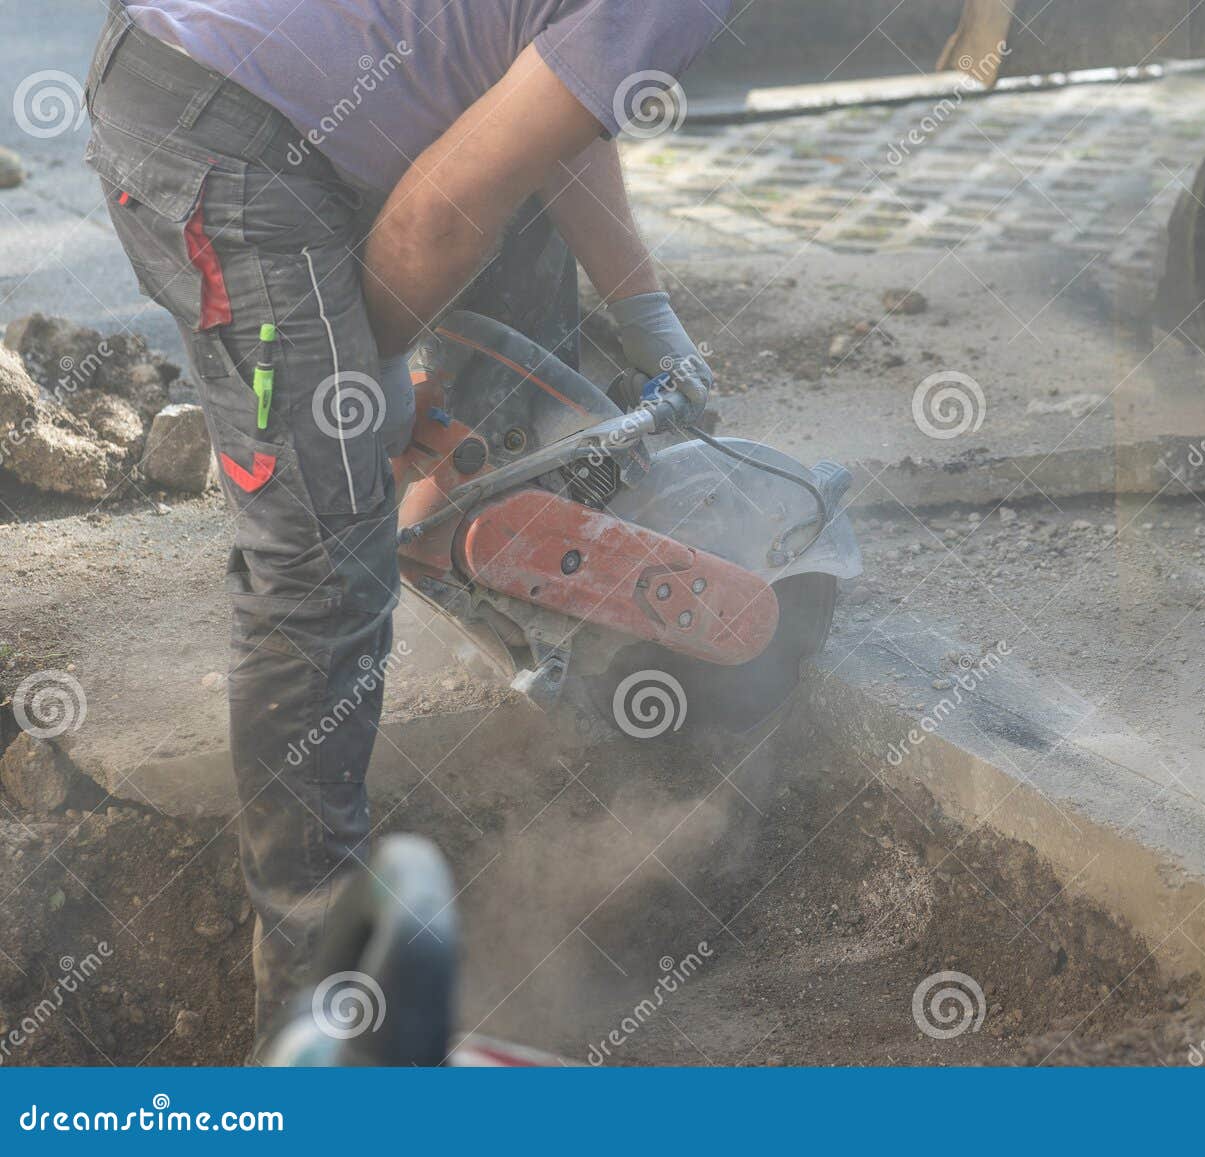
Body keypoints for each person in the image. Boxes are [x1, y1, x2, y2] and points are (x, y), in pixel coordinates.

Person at [82, 0, 727, 1040]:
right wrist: (359, 384)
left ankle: (477, 548)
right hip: (217, 134)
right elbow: (435, 214)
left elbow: (550, 105)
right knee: (322, 554)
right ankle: (313, 1016)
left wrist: (641, 305)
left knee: (503, 246)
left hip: (247, 83)